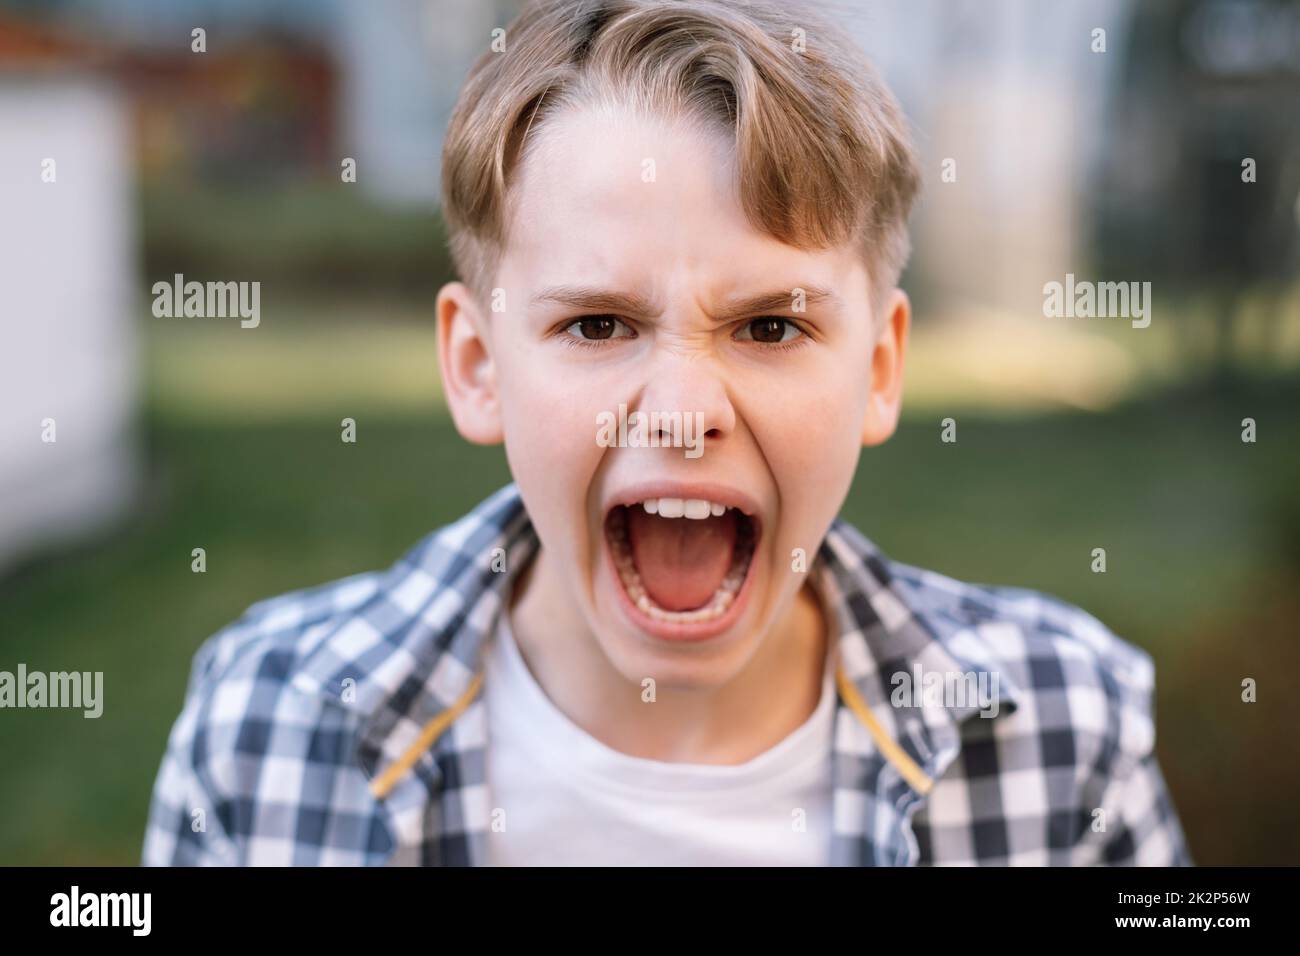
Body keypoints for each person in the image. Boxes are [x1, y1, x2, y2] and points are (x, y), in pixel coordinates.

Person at [143, 0, 1192, 866]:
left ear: (878, 369)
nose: (684, 412)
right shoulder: (267, 726)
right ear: (476, 367)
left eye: (770, 325)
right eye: (598, 323)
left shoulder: (1060, 734)